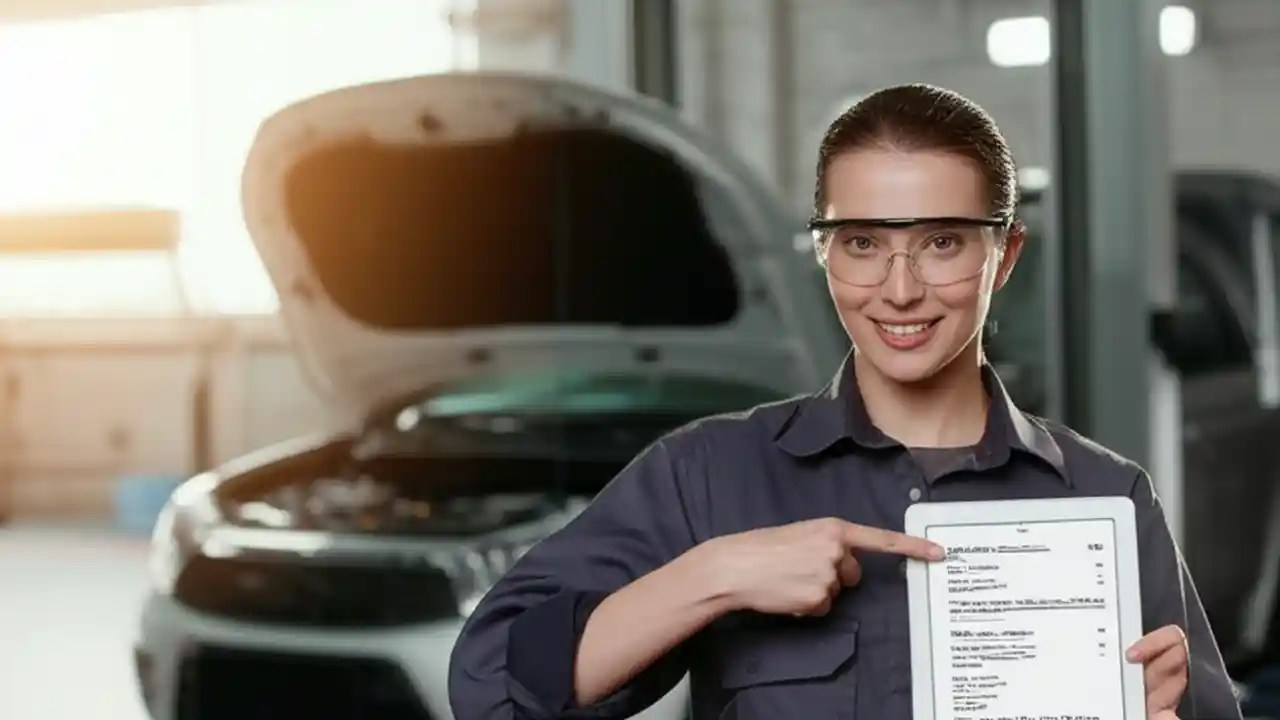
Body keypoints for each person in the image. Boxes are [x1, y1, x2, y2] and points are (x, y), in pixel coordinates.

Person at [447, 83, 1242, 720]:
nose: (900, 291)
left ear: (1003, 254)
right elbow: (490, 685)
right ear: (823, 250)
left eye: (941, 242)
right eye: (862, 243)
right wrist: (715, 575)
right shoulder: (711, 474)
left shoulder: (1106, 496)